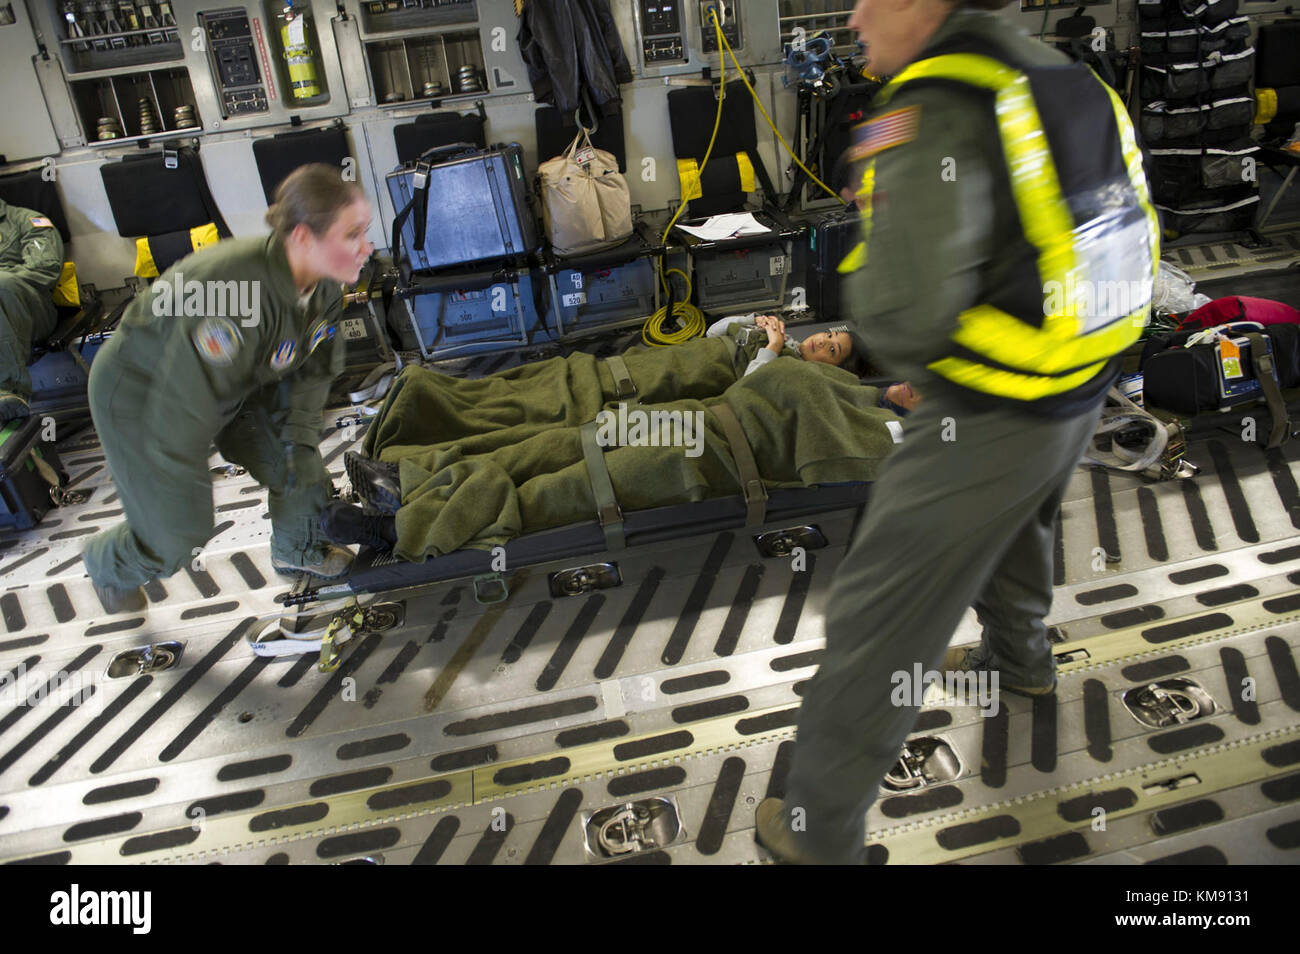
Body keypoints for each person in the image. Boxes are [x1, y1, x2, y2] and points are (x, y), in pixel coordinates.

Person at [755, 0, 1158, 863]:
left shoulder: (935, 102)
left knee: (877, 613)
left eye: (871, 0)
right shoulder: (1061, 75)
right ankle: (1024, 664)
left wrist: (879, 238)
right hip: (1082, 378)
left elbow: (901, 314)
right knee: (1021, 523)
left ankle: (810, 831)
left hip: (997, 399)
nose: (856, 19)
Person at [82, 164, 372, 613]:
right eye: (351, 234)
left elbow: (311, 373)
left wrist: (297, 438)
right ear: (302, 238)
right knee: (178, 532)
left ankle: (296, 550)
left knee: (299, 467)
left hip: (235, 383)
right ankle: (108, 564)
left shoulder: (324, 290)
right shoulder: (239, 292)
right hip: (144, 392)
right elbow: (184, 406)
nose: (366, 248)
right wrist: (181, 492)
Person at [707, 312, 922, 413]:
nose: (821, 341)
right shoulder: (784, 338)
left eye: (831, 350)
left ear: (833, 369)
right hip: (694, 353)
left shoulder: (796, 373)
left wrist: (772, 347)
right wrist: (752, 320)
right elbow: (712, 332)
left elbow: (746, 393)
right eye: (829, 336)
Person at [0, 197, 64, 422]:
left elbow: (44, 270)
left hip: (32, 309)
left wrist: (5, 276)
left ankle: (9, 390)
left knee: (2, 283)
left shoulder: (26, 221)